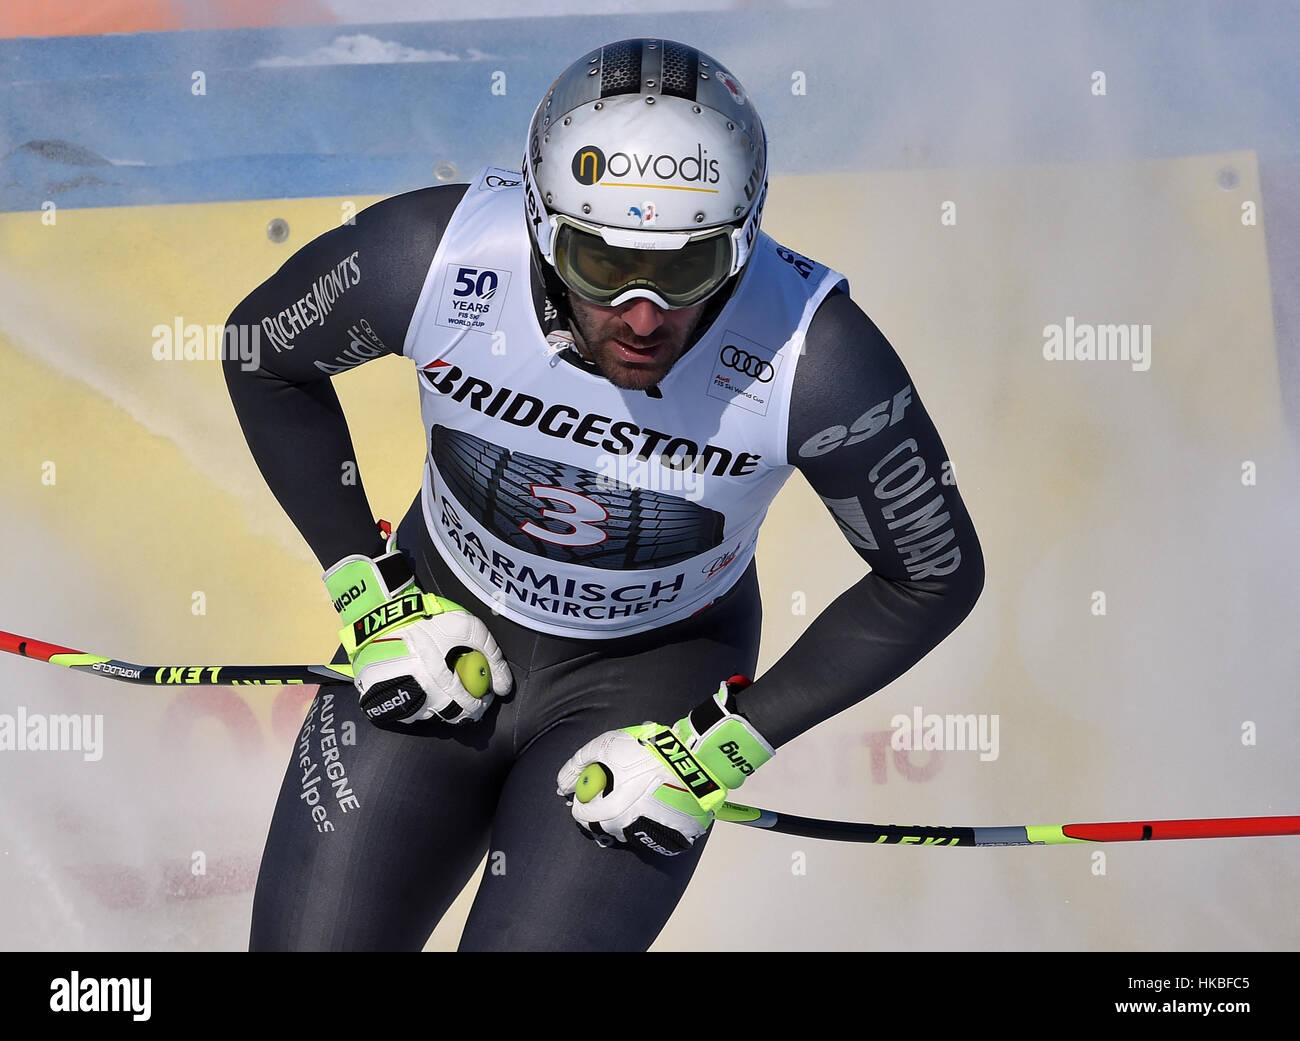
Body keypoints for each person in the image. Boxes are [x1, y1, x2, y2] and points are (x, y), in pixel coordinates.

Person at [224, 37, 983, 952]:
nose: (640, 313)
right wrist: (366, 591)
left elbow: (932, 575)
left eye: (684, 269)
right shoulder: (438, 254)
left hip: (654, 679)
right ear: (542, 225)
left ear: (743, 243)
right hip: (439, 614)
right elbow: (260, 354)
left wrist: (724, 746)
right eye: (599, 262)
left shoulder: (816, 358)